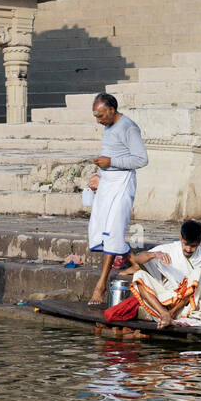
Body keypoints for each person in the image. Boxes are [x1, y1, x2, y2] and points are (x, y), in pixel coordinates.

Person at [86, 93, 149, 307]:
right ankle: (136, 264)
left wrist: (111, 162)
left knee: (114, 230)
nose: (99, 120)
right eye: (96, 116)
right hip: (108, 182)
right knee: (101, 227)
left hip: (122, 183)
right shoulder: (107, 127)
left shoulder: (129, 127)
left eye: (101, 115)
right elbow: (108, 157)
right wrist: (99, 175)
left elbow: (141, 159)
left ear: (112, 110)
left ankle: (101, 284)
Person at [119, 219, 201, 329]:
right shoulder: (169, 249)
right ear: (181, 238)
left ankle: (170, 315)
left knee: (199, 272)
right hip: (166, 299)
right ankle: (164, 314)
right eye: (186, 244)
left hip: (187, 304)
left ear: (199, 242)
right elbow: (137, 259)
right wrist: (155, 254)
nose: (188, 249)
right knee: (139, 275)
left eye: (193, 246)